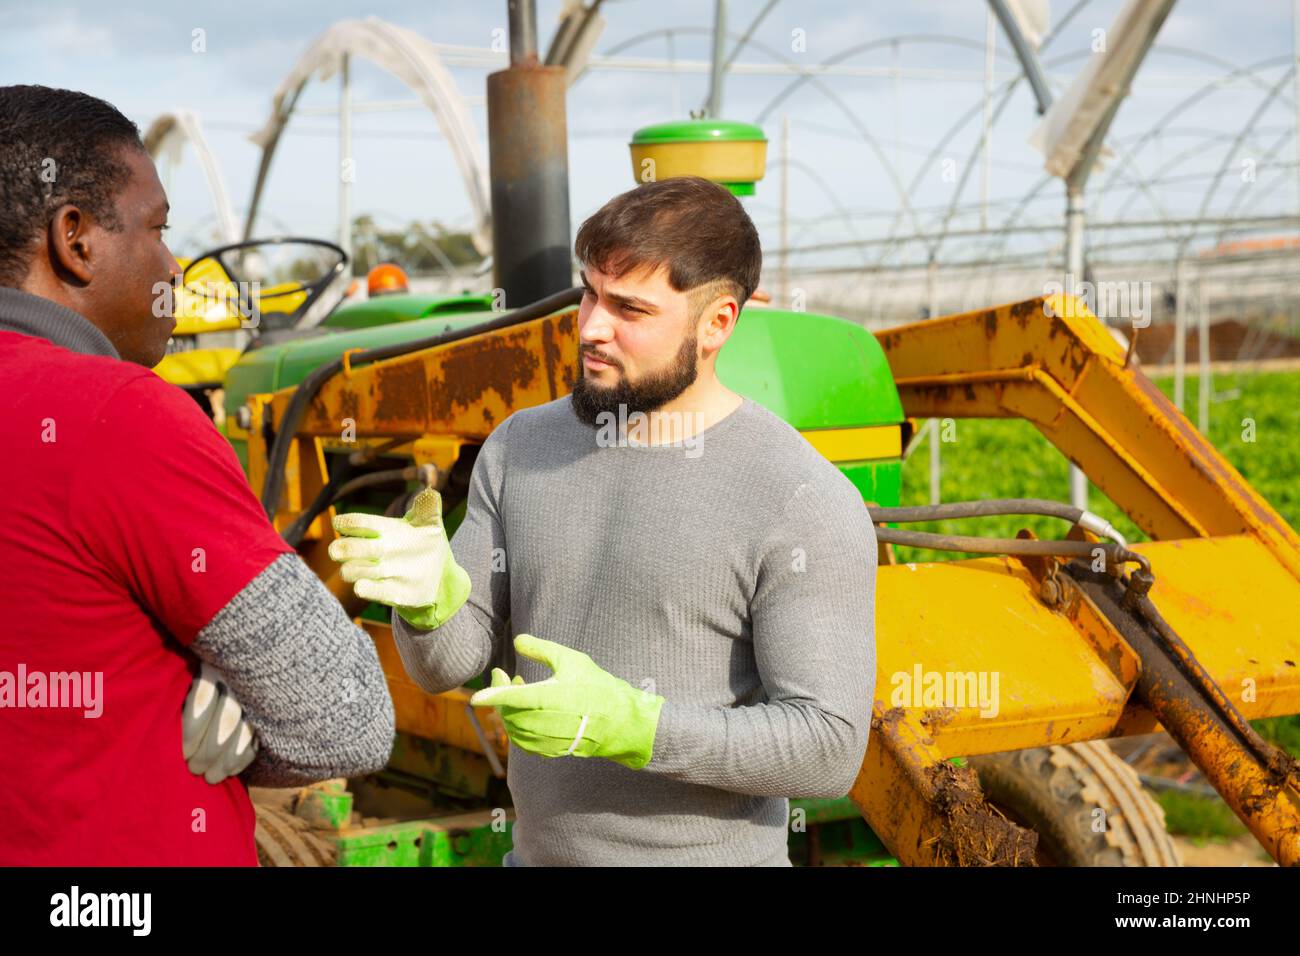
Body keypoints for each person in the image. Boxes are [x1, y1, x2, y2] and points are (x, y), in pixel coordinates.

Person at [330, 176, 877, 866]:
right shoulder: (520, 448)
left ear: (717, 324)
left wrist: (634, 726)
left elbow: (827, 751)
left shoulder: (797, 495)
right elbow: (450, 668)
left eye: (630, 308)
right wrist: (431, 604)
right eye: (589, 292)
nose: (590, 325)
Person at [0, 85, 395, 866]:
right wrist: (247, 713)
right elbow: (344, 718)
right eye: (158, 230)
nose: (175, 266)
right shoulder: (120, 417)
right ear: (74, 240)